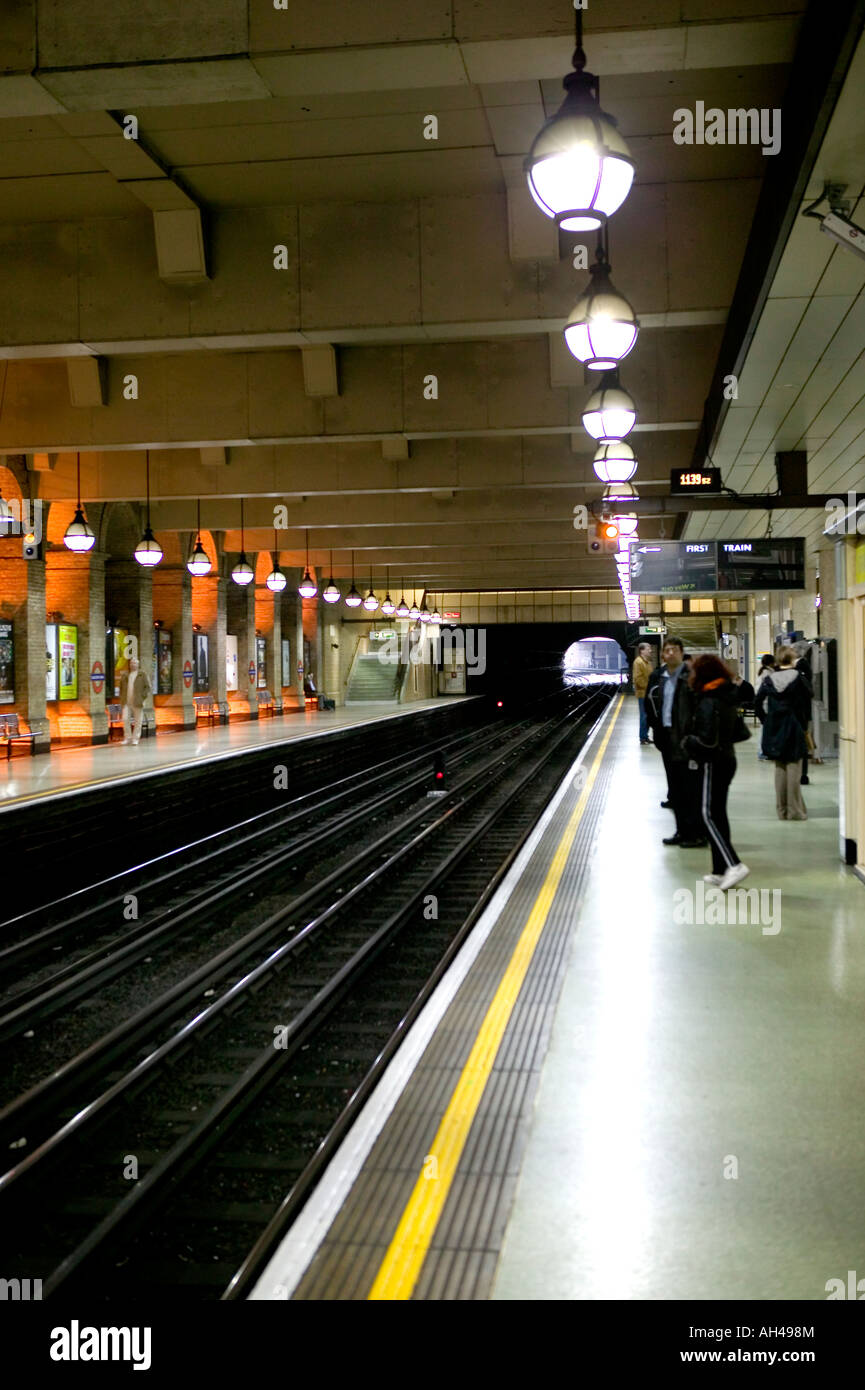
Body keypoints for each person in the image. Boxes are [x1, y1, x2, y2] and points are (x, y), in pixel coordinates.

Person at [681, 655, 749, 889]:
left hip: (712, 761)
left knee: (707, 814)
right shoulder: (726, 694)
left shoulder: (710, 699)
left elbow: (707, 740)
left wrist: (689, 742)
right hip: (727, 758)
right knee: (718, 813)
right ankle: (720, 869)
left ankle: (734, 864)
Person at [646, 638, 705, 848]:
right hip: (667, 740)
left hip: (688, 742)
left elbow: (700, 709)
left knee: (692, 790)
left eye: (674, 650)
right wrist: (657, 730)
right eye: (666, 650)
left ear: (681, 653)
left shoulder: (692, 677)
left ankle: (697, 833)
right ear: (663, 655)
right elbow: (651, 705)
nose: (670, 654)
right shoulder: (658, 677)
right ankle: (681, 830)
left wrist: (695, 737)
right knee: (676, 790)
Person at [755, 646, 810, 821]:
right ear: (792, 659)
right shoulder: (798, 678)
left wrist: (766, 720)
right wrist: (804, 725)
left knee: (779, 767)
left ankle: (782, 810)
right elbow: (808, 697)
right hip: (793, 726)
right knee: (794, 767)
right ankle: (795, 810)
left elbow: (757, 702)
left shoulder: (769, 680)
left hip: (774, 727)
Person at [792, 640, 814, 785]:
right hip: (801, 711)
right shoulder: (800, 666)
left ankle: (802, 773)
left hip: (800, 712)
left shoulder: (801, 666)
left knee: (801, 742)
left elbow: (806, 691)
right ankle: (800, 772)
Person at [118, 657, 151, 746]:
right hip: (126, 702)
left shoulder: (142, 674)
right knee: (125, 719)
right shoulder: (125, 675)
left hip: (137, 702)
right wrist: (121, 698)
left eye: (135, 663)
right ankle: (127, 738)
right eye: (132, 663)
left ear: (138, 665)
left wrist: (142, 697)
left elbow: (147, 687)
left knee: (138, 721)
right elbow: (121, 688)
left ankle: (135, 738)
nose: (133, 665)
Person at [632, 642, 653, 745]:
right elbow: (638, 679)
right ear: (642, 650)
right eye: (648, 648)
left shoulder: (647, 662)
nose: (650, 650)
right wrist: (649, 687)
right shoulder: (638, 662)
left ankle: (645, 736)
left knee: (648, 715)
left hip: (648, 694)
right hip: (643, 694)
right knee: (644, 715)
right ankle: (642, 737)